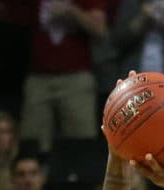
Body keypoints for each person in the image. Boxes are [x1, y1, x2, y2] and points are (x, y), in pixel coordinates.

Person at [19, 0, 106, 150]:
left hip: (76, 77)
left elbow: (99, 29)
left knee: (80, 144)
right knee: (33, 144)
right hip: (37, 77)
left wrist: (72, 11)